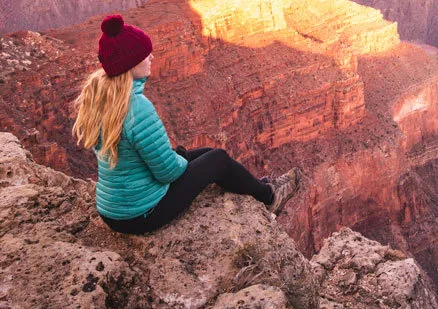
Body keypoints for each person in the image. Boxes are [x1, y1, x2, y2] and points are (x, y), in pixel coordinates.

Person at [73, 13, 300, 235]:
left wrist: (181, 156)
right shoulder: (137, 108)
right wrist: (181, 160)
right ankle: (270, 197)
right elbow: (168, 173)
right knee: (217, 159)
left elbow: (131, 156)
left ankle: (254, 186)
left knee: (204, 153)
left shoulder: (102, 99)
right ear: (130, 64)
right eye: (145, 55)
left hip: (111, 210)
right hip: (142, 215)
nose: (151, 58)